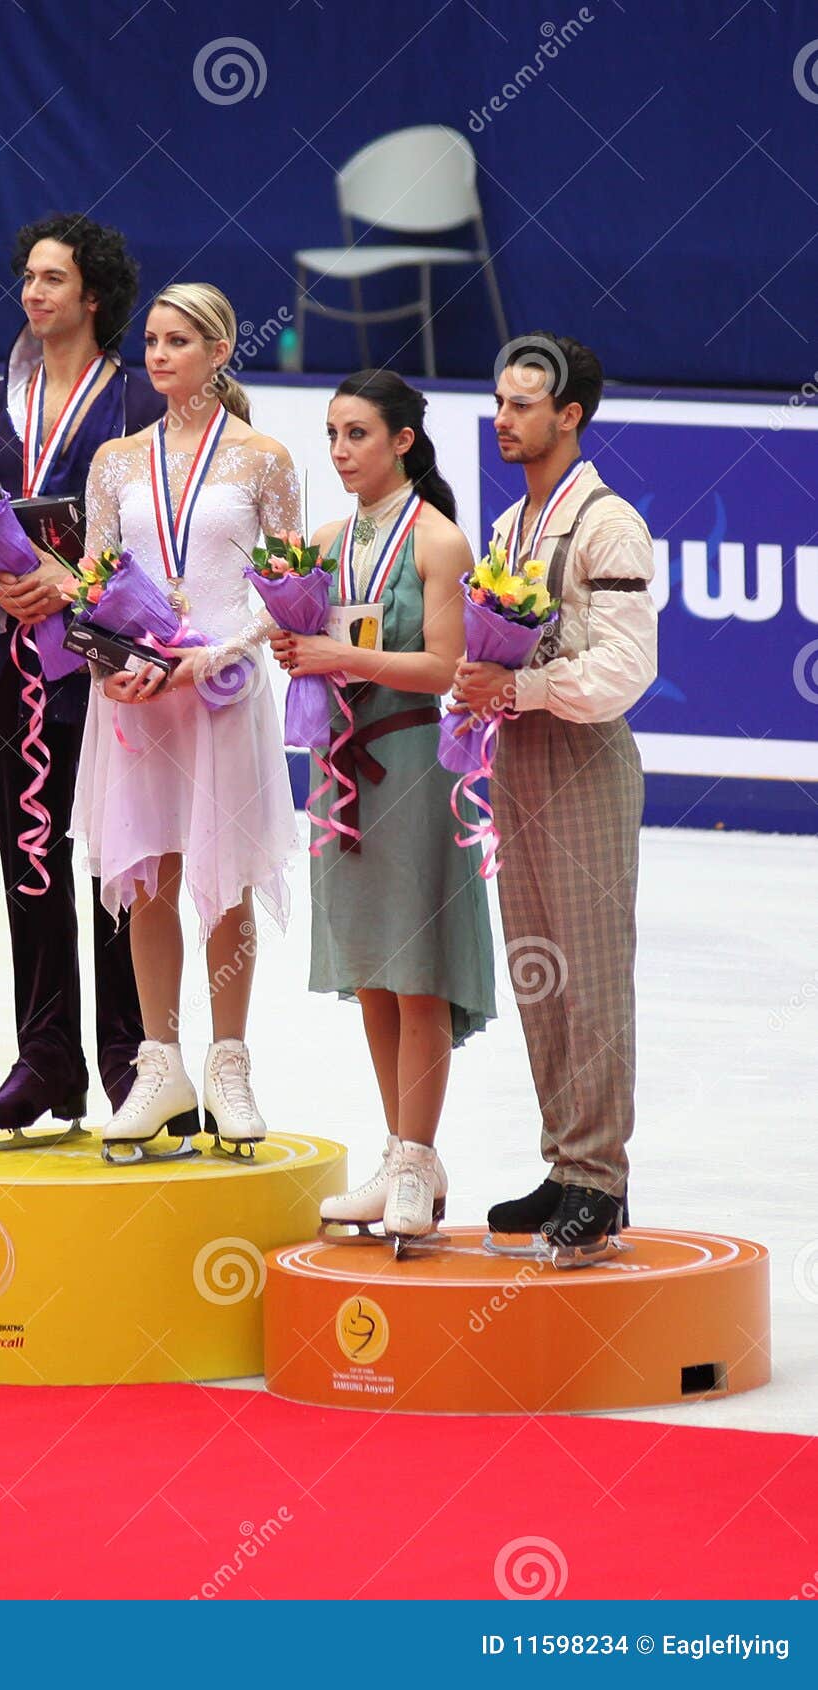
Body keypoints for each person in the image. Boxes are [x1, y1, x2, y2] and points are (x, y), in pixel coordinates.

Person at [0, 213, 164, 1148]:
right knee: (27, 861)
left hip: (110, 674)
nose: (34, 293)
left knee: (118, 858)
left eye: (54, 280)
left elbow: (165, 548)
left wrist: (83, 590)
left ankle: (127, 1051)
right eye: (28, 277)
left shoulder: (139, 408)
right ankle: (45, 1057)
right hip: (18, 670)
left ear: (93, 296)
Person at [73, 283, 300, 1164]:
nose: (158, 356)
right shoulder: (115, 462)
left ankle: (229, 1063)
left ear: (217, 352)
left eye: (178, 342)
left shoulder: (264, 459)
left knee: (223, 876)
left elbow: (288, 594)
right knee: (147, 875)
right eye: (151, 342)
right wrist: (109, 661)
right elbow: (89, 586)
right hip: (136, 696)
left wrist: (228, 647)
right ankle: (158, 1063)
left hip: (219, 693)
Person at [270, 371, 495, 1241]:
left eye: (356, 434)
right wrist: (296, 648)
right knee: (370, 969)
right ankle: (402, 1155)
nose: (338, 451)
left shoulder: (440, 541)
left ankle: (415, 1155)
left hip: (410, 763)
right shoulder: (325, 538)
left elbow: (444, 669)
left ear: (401, 440)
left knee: (418, 973)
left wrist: (338, 654)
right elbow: (306, 643)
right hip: (340, 769)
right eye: (331, 433)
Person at [453, 333, 656, 1264]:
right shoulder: (506, 529)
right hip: (517, 761)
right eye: (498, 402)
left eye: (522, 404)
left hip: (581, 759)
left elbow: (623, 670)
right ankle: (563, 1163)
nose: (504, 418)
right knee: (540, 971)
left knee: (592, 978)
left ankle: (601, 1183)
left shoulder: (607, 524)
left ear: (568, 415)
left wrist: (520, 689)